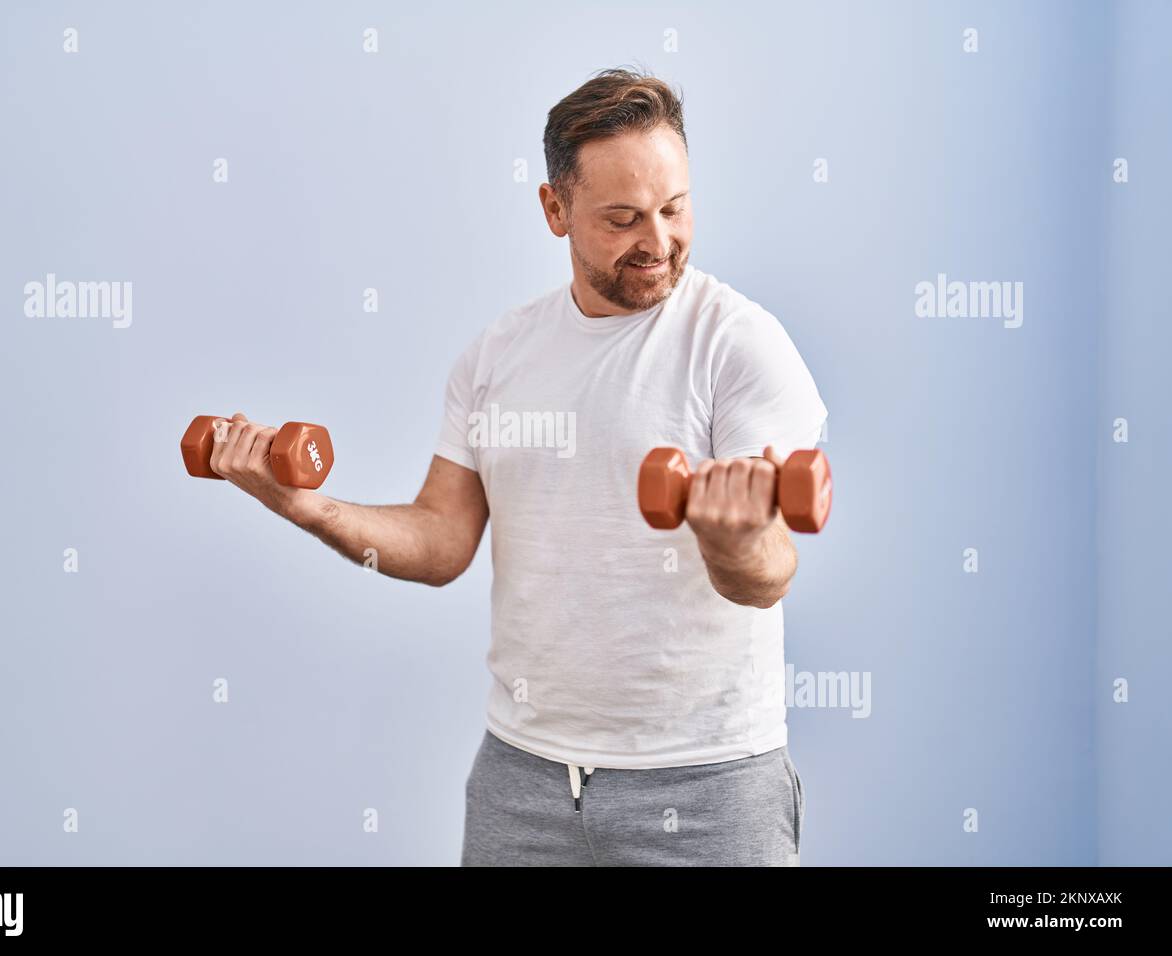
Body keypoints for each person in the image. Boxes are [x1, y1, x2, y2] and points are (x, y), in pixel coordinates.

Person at [208, 67, 828, 866]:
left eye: (674, 208)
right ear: (554, 209)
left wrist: (729, 536)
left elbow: (767, 574)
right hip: (523, 778)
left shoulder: (739, 344)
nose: (657, 240)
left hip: (707, 784)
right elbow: (441, 541)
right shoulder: (498, 356)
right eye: (622, 218)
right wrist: (304, 506)